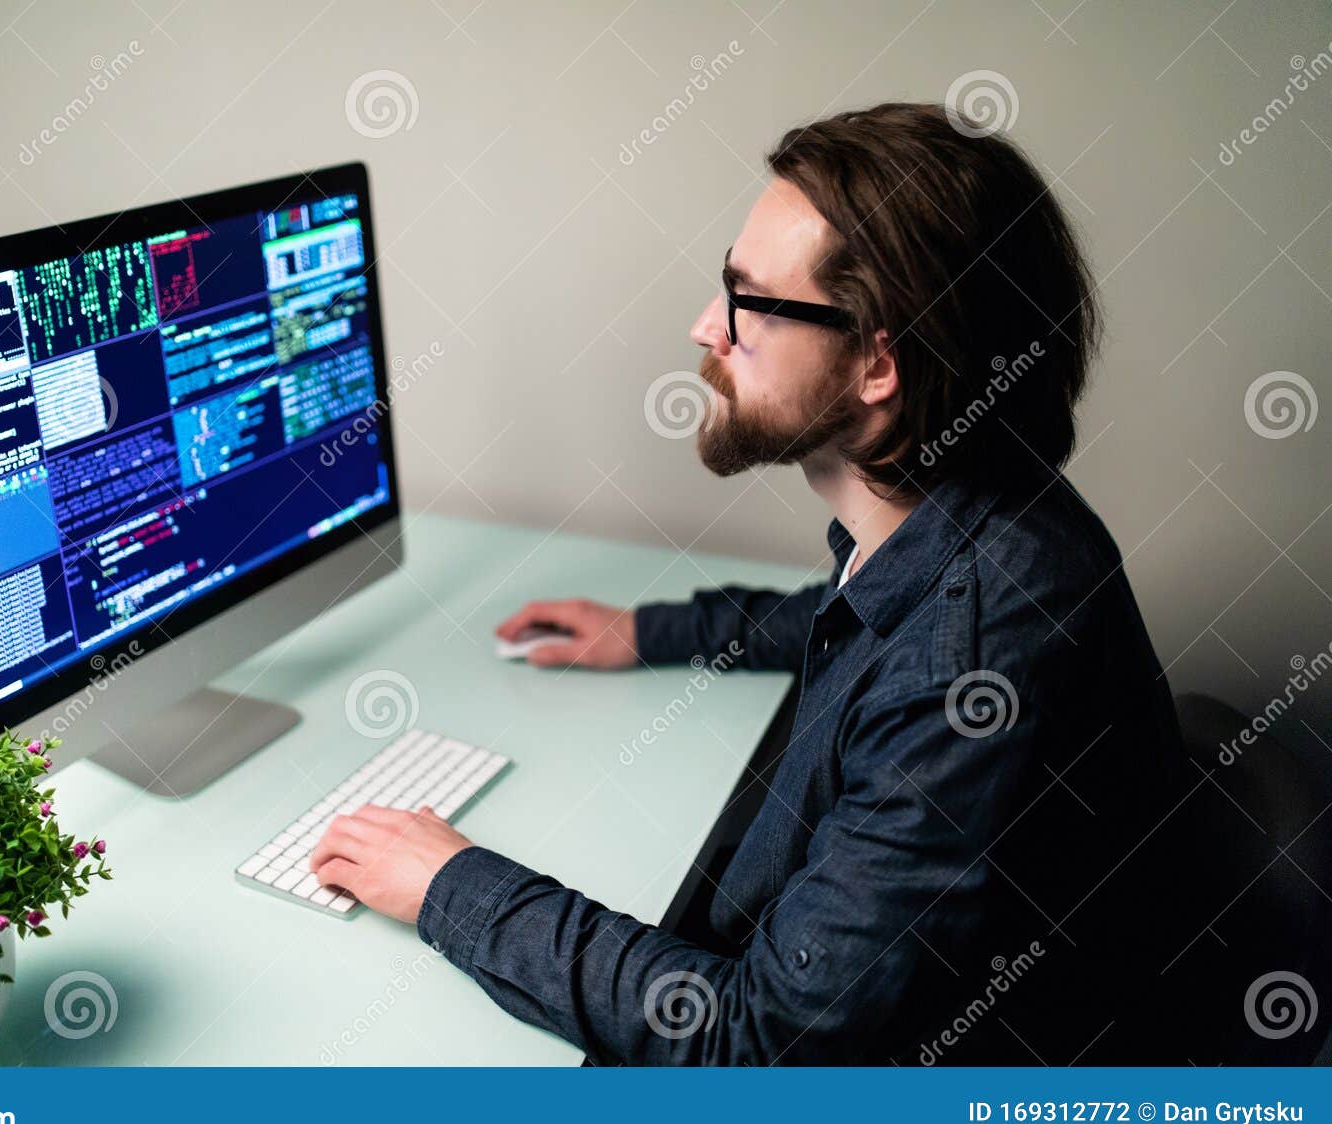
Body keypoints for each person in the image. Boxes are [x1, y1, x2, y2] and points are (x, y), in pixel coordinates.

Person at [308, 101, 1190, 1065]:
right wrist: (658, 630)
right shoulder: (979, 514)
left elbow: (753, 1042)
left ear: (878, 363)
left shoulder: (969, 663)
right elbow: (858, 619)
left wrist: (451, 885)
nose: (704, 328)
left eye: (747, 300)